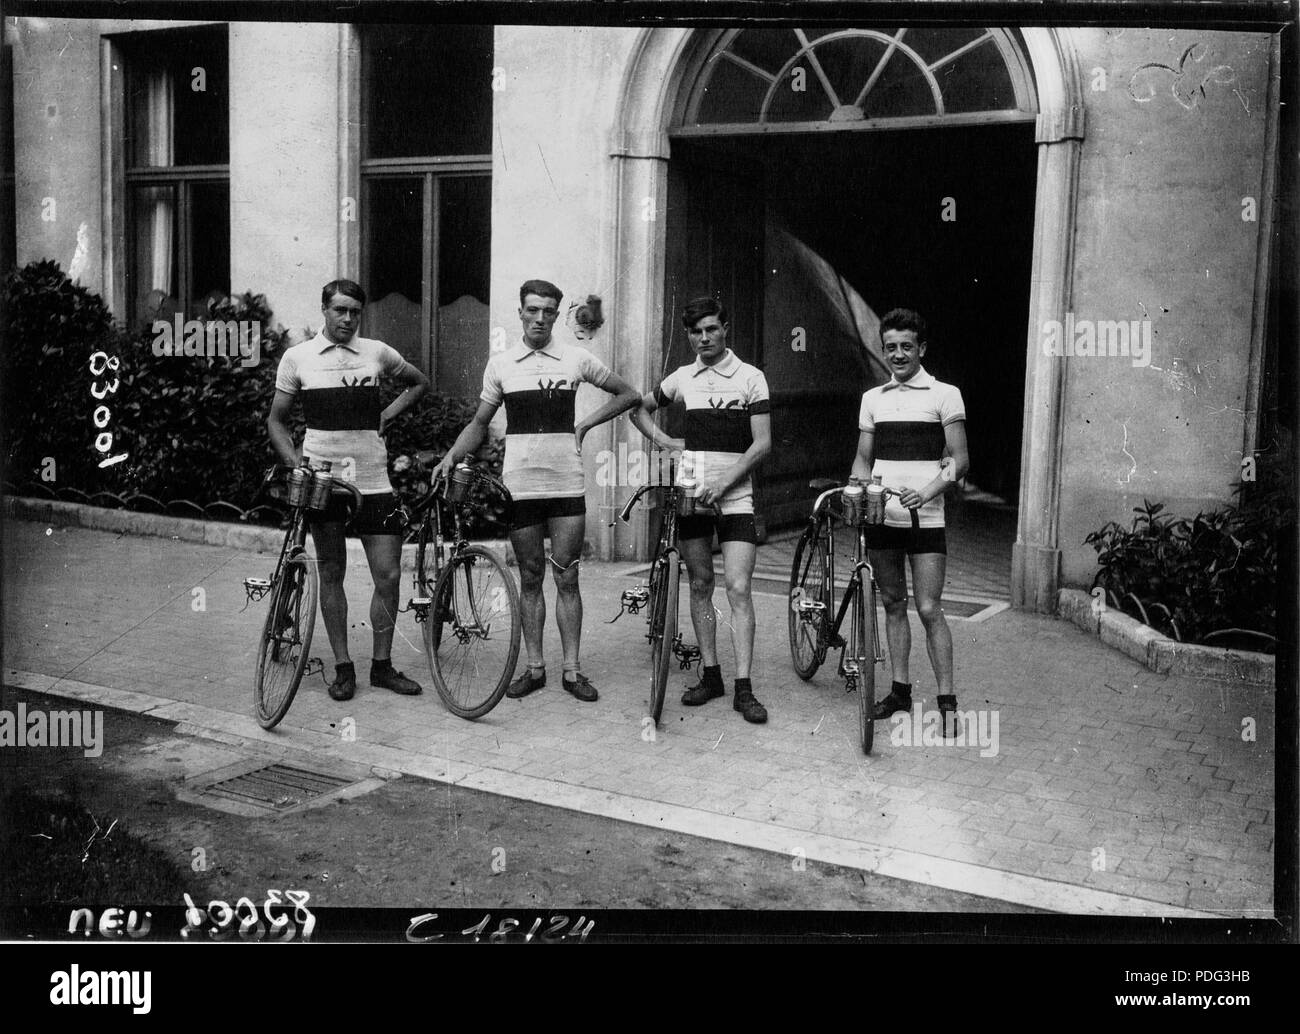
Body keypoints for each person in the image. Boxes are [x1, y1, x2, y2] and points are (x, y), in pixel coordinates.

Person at [435, 279, 641, 702]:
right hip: (521, 488)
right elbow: (479, 423)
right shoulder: (502, 365)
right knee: (530, 577)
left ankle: (572, 670)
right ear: (521, 313)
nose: (541, 318)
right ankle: (534, 668)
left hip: (566, 483)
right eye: (533, 310)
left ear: (556, 314)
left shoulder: (576, 358)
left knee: (568, 576)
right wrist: (450, 457)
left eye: (549, 311)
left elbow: (629, 394)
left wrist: (584, 425)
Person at [268, 279, 431, 701]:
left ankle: (382, 666)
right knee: (333, 572)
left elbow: (418, 383)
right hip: (325, 483)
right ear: (324, 309)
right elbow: (276, 421)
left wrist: (386, 416)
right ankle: (343, 667)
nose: (347, 318)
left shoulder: (376, 352)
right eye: (339, 310)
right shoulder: (298, 358)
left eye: (354, 312)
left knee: (390, 574)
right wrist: (295, 464)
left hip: (374, 481)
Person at [630, 297, 772, 724]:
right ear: (689, 335)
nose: (704, 338)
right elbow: (638, 408)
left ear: (725, 328)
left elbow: (762, 444)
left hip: (735, 498)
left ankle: (744, 688)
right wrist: (667, 442)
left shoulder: (751, 377)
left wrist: (724, 483)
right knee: (700, 584)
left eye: (712, 329)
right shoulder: (682, 377)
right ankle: (711, 675)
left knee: (740, 589)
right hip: (692, 494)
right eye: (696, 332)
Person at [850, 308, 969, 727]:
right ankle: (899, 692)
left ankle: (947, 703)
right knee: (892, 603)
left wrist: (929, 491)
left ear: (921, 348)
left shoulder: (944, 394)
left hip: (927, 520)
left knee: (930, 607)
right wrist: (858, 488)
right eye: (890, 348)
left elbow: (959, 461)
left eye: (906, 346)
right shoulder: (873, 399)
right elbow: (863, 459)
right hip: (883, 519)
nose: (898, 355)